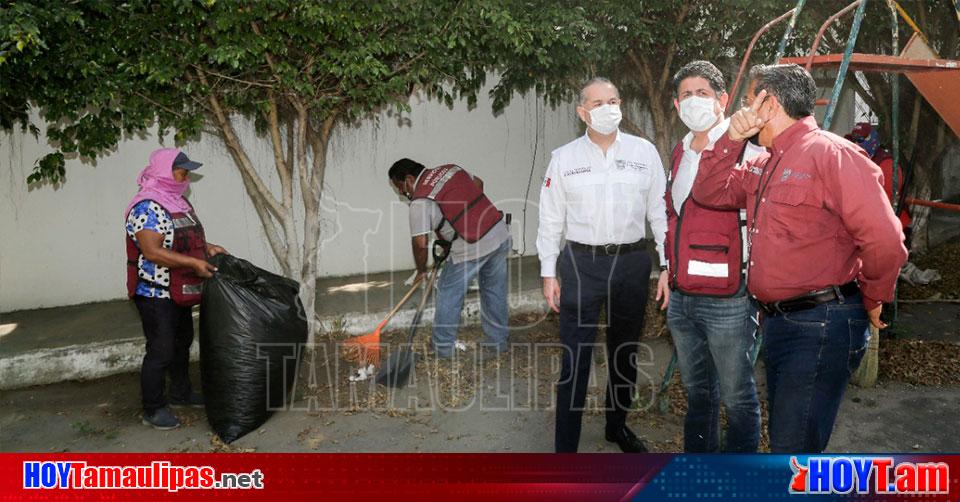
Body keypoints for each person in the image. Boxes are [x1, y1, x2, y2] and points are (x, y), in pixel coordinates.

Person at [692, 64, 908, 453]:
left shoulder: (833, 155)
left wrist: (875, 296)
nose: (741, 111)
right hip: (779, 323)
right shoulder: (765, 160)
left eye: (746, 102)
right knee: (791, 442)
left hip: (821, 324)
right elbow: (709, 193)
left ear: (768, 103)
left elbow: (885, 239)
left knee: (793, 450)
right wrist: (730, 139)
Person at [537, 77, 668, 453]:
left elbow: (659, 213)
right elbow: (550, 219)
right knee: (575, 358)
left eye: (612, 100)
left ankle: (617, 426)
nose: (607, 108)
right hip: (581, 264)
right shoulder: (564, 159)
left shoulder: (644, 153)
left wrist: (667, 266)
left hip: (631, 262)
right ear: (582, 113)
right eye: (597, 103)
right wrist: (548, 272)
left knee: (624, 351)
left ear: (621, 104)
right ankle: (566, 448)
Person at [664, 61, 762, 452]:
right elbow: (674, 215)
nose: (693, 101)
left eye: (701, 93)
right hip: (682, 297)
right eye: (685, 95)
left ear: (723, 100)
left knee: (737, 399)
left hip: (729, 301)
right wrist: (665, 268)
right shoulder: (680, 150)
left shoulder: (747, 148)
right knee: (698, 394)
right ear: (675, 105)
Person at [125, 148, 226, 430]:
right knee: (161, 350)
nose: (186, 175)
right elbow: (153, 252)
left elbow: (182, 239)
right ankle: (153, 409)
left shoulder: (177, 202)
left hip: (178, 289)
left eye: (187, 170)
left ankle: (181, 393)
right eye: (181, 170)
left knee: (181, 343)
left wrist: (208, 248)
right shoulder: (146, 206)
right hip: (155, 293)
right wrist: (194, 262)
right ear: (163, 171)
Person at [389, 158, 511, 360]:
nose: (403, 193)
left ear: (409, 179)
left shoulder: (420, 202)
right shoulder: (449, 170)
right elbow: (479, 183)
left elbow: (420, 244)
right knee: (494, 290)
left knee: (447, 292)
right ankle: (497, 342)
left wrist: (421, 270)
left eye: (400, 188)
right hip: (498, 233)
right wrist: (468, 219)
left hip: (470, 248)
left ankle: (443, 349)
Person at [845, 122, 912, 244]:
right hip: (871, 225)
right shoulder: (862, 160)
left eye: (860, 140)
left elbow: (885, 200)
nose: (855, 144)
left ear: (872, 140)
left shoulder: (886, 163)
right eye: (852, 140)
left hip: (892, 228)